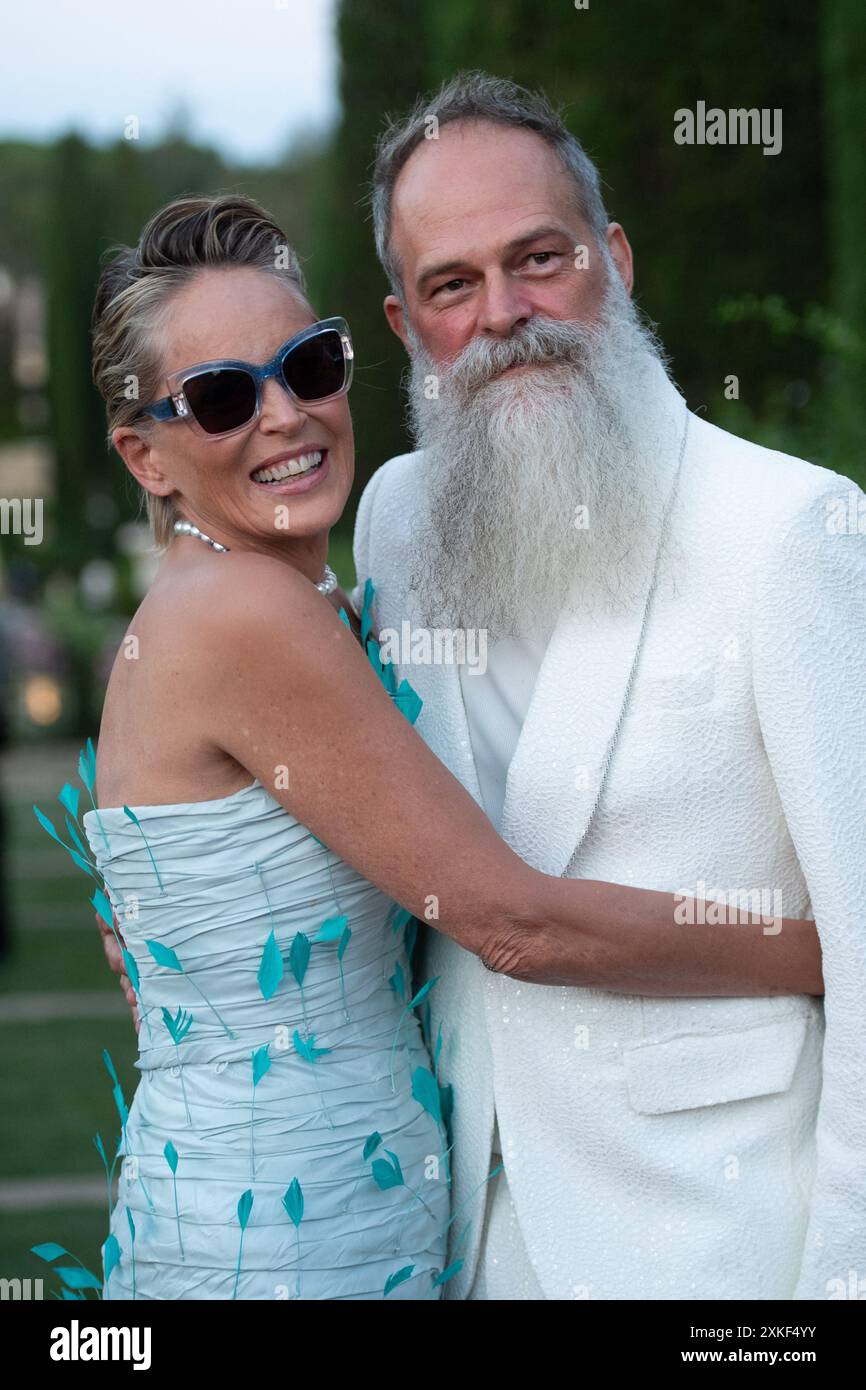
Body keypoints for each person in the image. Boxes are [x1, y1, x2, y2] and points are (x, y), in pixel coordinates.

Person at [73, 192, 824, 1301]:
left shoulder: (300, 581)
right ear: (147, 456)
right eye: (224, 396)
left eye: (309, 364)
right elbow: (507, 918)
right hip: (285, 1229)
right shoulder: (246, 614)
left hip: (314, 1194)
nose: (284, 414)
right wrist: (822, 954)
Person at [350, 70, 866, 1300]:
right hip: (460, 1242)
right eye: (450, 285)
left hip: (718, 1255)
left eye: (539, 258)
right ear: (402, 324)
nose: (503, 313)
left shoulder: (789, 530)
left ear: (615, 259)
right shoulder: (391, 521)